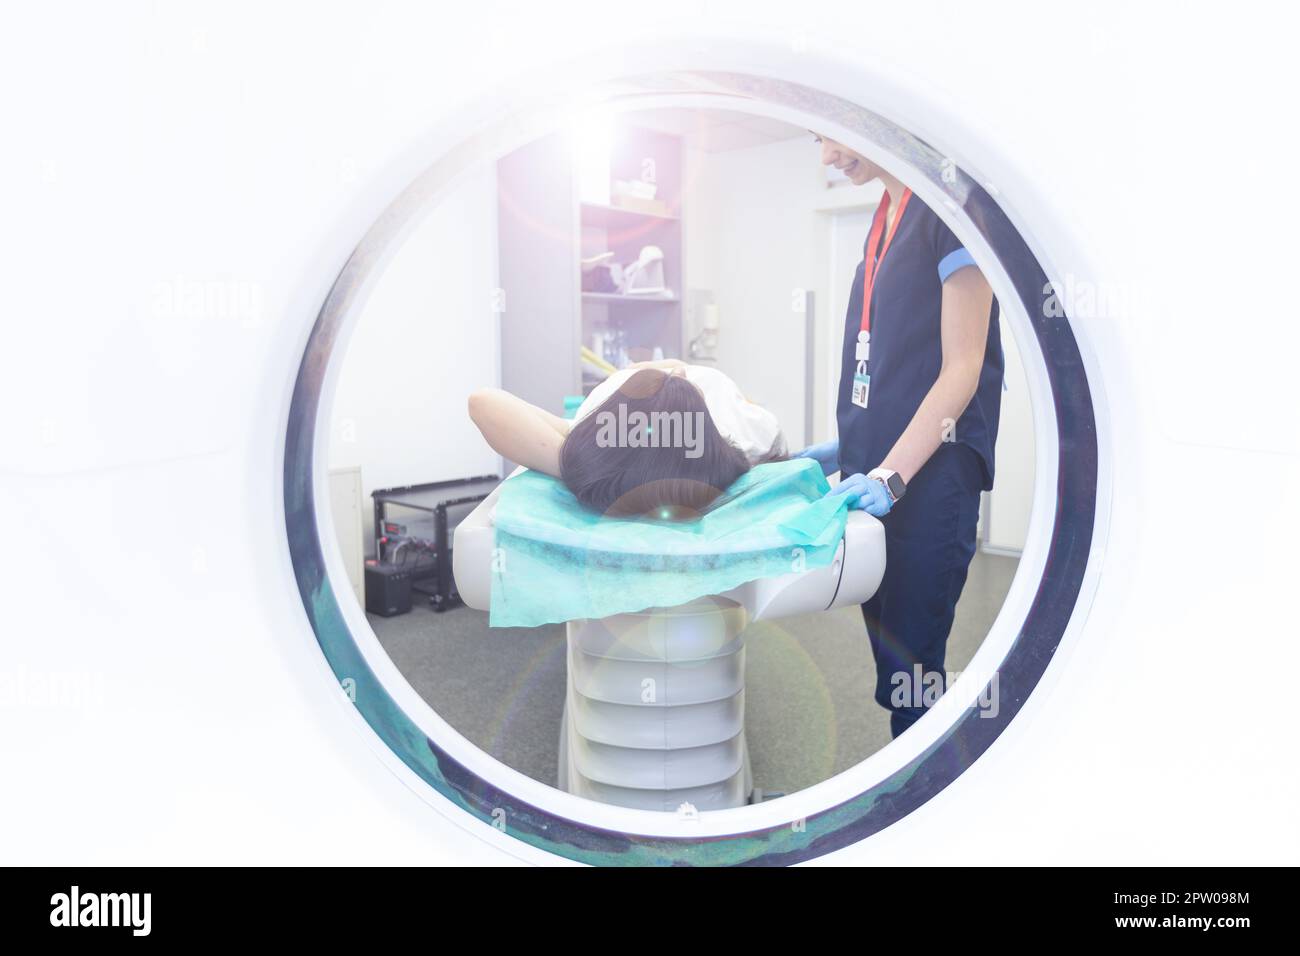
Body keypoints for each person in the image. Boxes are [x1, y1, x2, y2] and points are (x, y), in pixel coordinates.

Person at [796, 135, 1004, 738]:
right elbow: (893, 360)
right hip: (885, 471)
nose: (828, 159)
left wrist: (891, 472)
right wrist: (851, 445)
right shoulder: (886, 214)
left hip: (929, 480)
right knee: (894, 664)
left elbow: (961, 368)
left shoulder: (952, 213)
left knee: (916, 672)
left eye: (830, 138)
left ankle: (929, 801)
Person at [468, 359, 786, 518]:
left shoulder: (600, 429)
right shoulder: (743, 433)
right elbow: (483, 403)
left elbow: (482, 402)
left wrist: (578, 464)